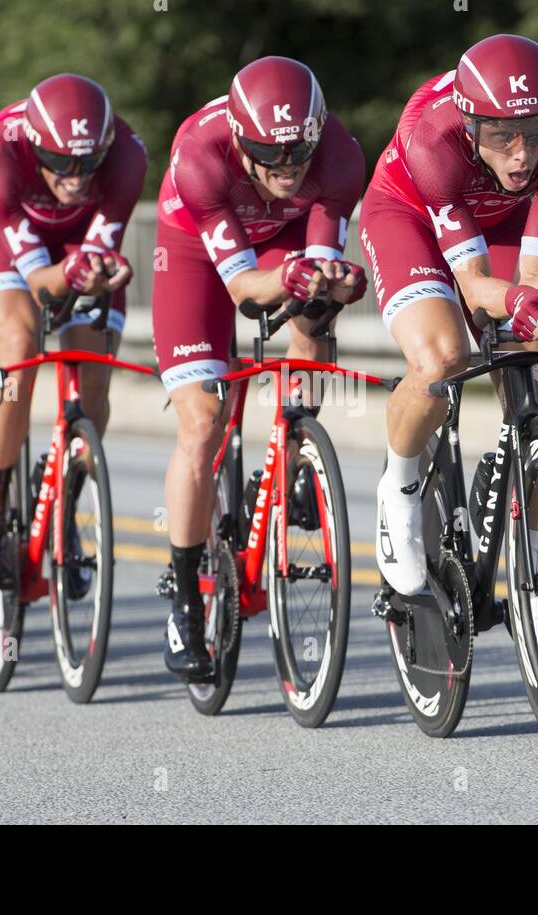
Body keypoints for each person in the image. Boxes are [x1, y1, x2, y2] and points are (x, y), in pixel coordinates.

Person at [359, 34, 538, 662]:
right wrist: (513, 298)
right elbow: (471, 285)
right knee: (442, 359)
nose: (522, 155)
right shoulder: (434, 141)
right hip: (409, 212)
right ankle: (400, 489)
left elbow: (536, 276)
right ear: (471, 127)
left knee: (535, 378)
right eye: (501, 137)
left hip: (498, 222)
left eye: (533, 132)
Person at [152, 55, 368, 680]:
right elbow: (246, 289)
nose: (283, 168)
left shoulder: (339, 157)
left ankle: (296, 448)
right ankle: (186, 598)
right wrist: (286, 276)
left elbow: (318, 269)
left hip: (282, 234)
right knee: (202, 419)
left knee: (316, 305)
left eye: (296, 156)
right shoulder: (199, 153)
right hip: (198, 246)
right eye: (267, 156)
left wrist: (325, 282)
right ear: (240, 142)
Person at [0, 73, 147, 587]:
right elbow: (41, 282)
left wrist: (101, 269)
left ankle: (64, 496)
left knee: (94, 378)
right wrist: (74, 273)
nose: (77, 176)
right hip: (1, 228)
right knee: (18, 343)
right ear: (36, 147)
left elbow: (98, 251)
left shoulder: (128, 155)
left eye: (89, 163)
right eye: (62, 163)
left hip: (76, 240)